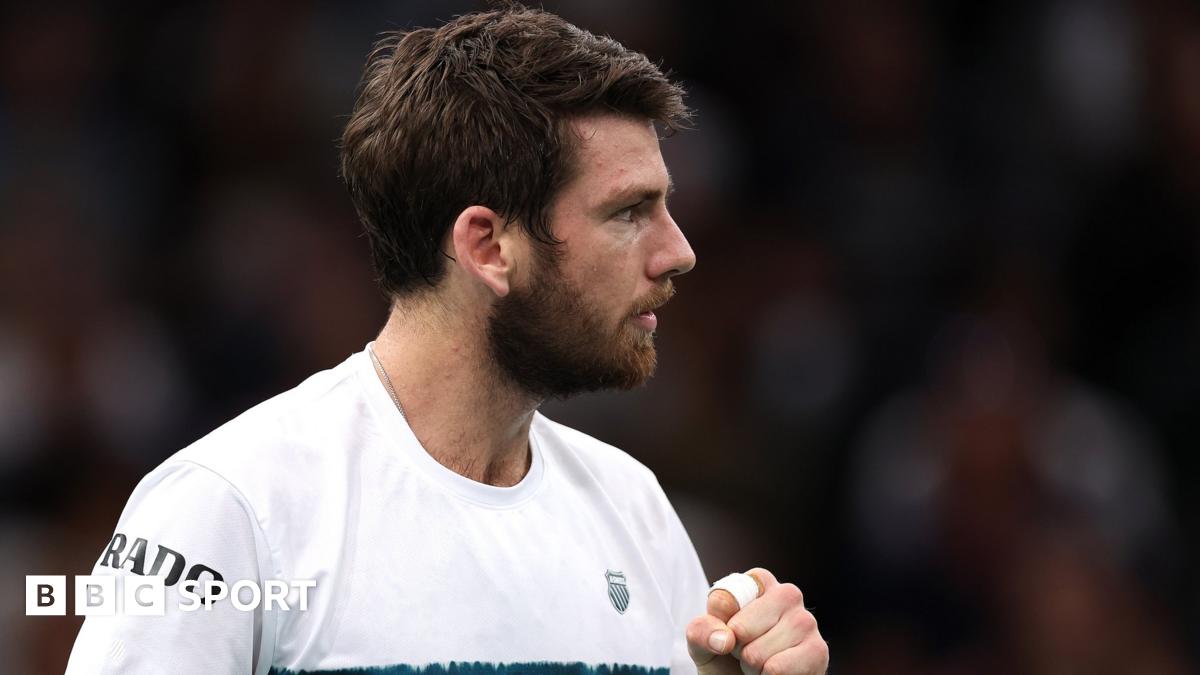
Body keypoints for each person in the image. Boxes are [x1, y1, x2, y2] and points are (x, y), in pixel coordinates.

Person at [65, 5, 828, 675]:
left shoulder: (635, 510)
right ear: (488, 246)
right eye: (630, 211)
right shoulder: (230, 509)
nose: (678, 251)